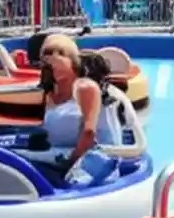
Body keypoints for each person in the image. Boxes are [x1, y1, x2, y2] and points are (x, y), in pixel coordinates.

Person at [32, 34, 122, 182]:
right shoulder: (51, 93)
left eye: (60, 56)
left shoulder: (85, 87)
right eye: (48, 63)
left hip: (95, 156)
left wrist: (70, 162)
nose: (53, 63)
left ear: (73, 62)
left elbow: (89, 132)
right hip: (62, 152)